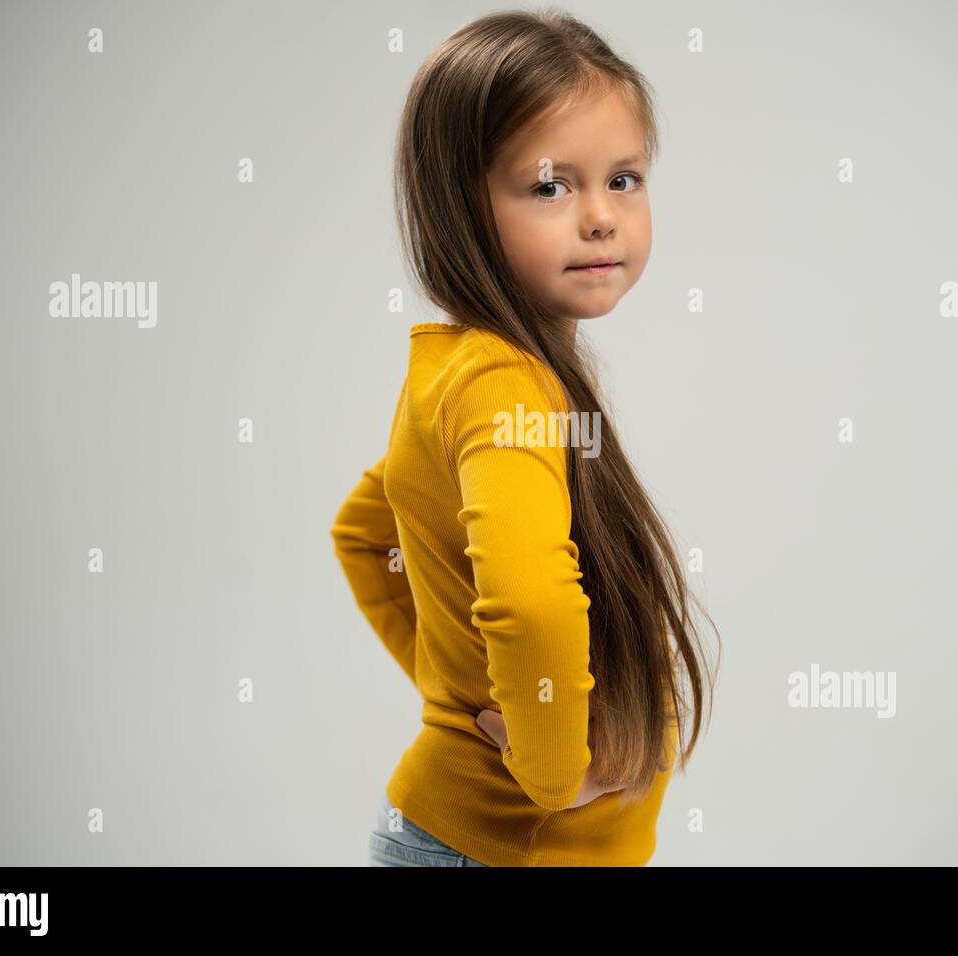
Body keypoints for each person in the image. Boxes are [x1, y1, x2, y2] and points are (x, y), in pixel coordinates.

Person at [332, 8, 719, 867]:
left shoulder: (470, 371)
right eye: (549, 186)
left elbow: (368, 534)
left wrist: (467, 694)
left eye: (624, 179)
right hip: (510, 851)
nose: (600, 217)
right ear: (461, 208)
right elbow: (535, 598)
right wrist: (551, 767)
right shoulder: (501, 383)